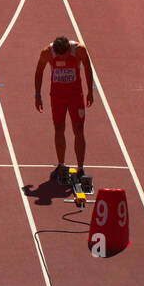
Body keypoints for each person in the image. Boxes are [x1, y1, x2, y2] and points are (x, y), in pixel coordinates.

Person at [33, 35, 94, 179]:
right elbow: (39, 72)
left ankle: (80, 168)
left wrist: (90, 91)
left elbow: (87, 67)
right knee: (59, 128)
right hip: (57, 97)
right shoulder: (47, 52)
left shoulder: (79, 50)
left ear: (69, 49)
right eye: (58, 56)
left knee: (78, 129)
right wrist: (37, 95)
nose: (61, 58)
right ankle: (61, 164)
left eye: (64, 55)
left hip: (75, 97)